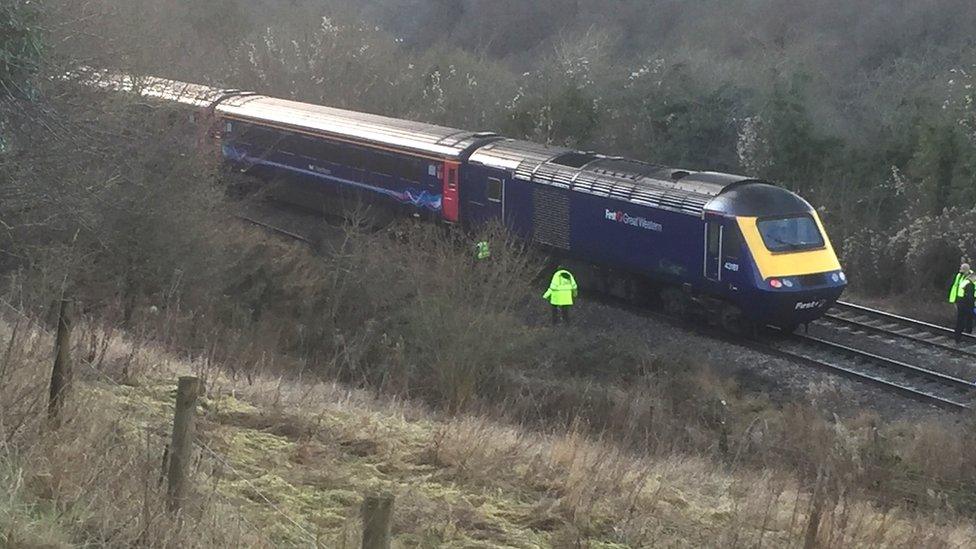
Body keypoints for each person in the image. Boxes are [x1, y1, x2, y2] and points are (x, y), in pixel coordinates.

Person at [954, 272, 976, 343]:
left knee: (960, 321)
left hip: (960, 303)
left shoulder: (964, 282)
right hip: (967, 305)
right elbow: (970, 297)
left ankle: (957, 338)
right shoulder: (970, 285)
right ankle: (963, 337)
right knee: (965, 321)